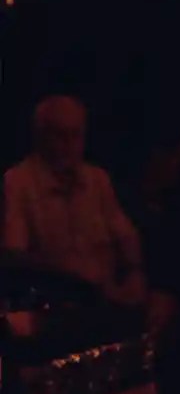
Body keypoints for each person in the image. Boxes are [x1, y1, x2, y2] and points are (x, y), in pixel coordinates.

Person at [2, 95, 147, 306]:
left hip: (107, 300)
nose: (69, 145)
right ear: (40, 136)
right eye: (60, 136)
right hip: (54, 304)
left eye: (76, 135)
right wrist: (67, 267)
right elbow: (13, 256)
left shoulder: (97, 179)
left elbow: (125, 236)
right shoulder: (18, 182)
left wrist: (135, 273)